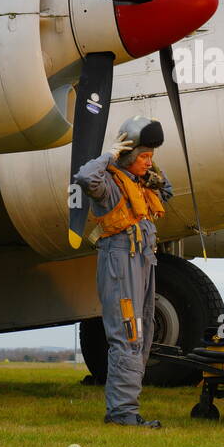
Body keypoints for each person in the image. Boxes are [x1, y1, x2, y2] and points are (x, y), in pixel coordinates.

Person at [75, 116, 174, 428]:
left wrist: (151, 167)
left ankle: (126, 409)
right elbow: (84, 177)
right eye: (144, 157)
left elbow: (167, 191)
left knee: (141, 339)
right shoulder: (109, 186)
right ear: (128, 157)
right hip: (120, 263)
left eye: (151, 157)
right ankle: (121, 413)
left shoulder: (141, 186)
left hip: (142, 262)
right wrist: (112, 154)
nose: (148, 163)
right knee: (127, 336)